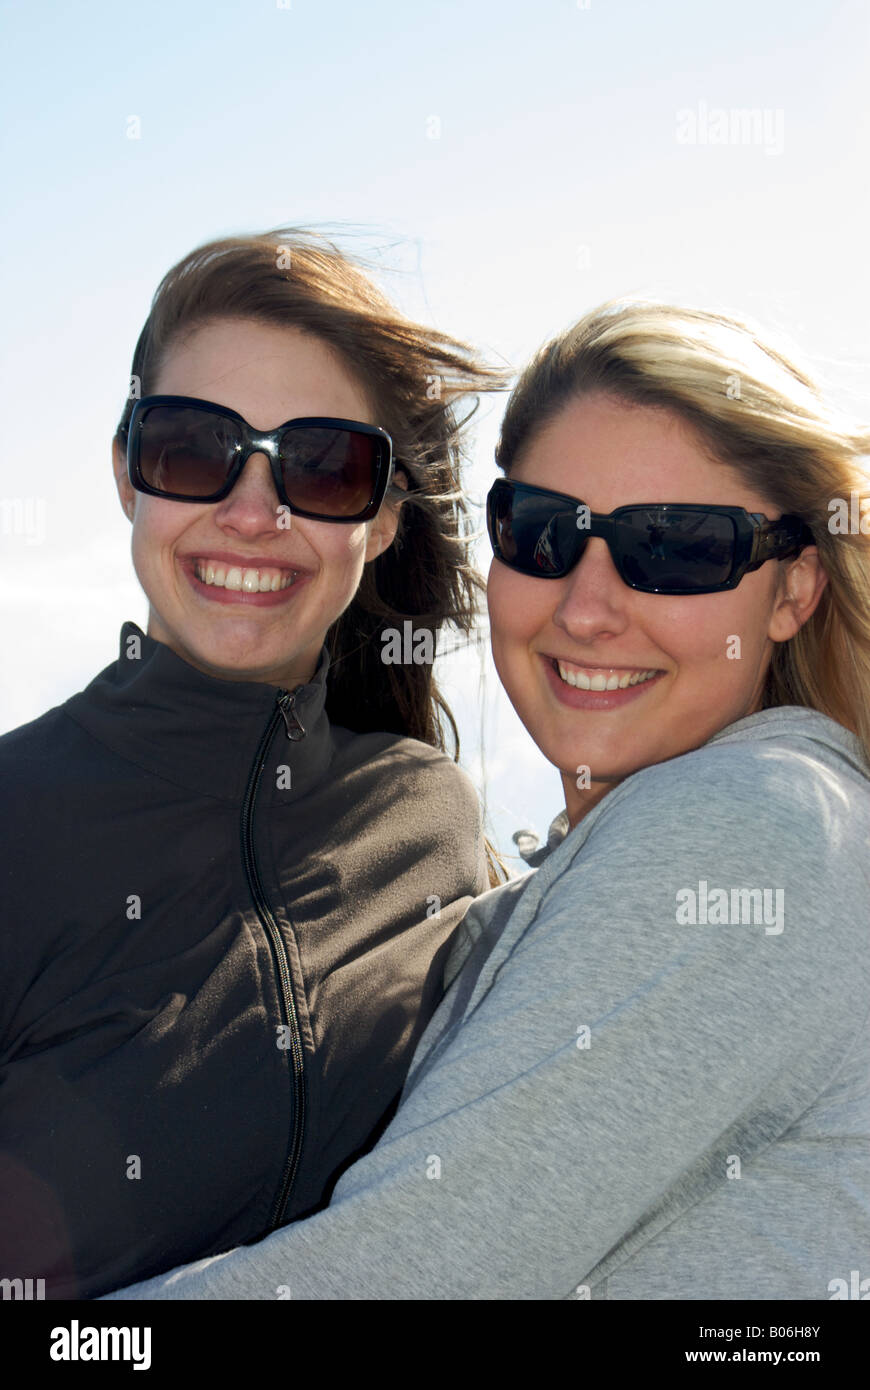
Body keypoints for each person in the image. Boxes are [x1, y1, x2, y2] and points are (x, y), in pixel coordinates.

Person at [104, 298, 870, 1301]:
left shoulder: (746, 826)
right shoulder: (630, 857)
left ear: (792, 591)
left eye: (678, 547)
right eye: (545, 533)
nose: (588, 608)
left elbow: (399, 1280)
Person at [0, 228, 508, 1299]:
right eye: (194, 448)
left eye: (322, 466)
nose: (253, 511)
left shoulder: (433, 821)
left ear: (379, 520)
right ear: (127, 475)